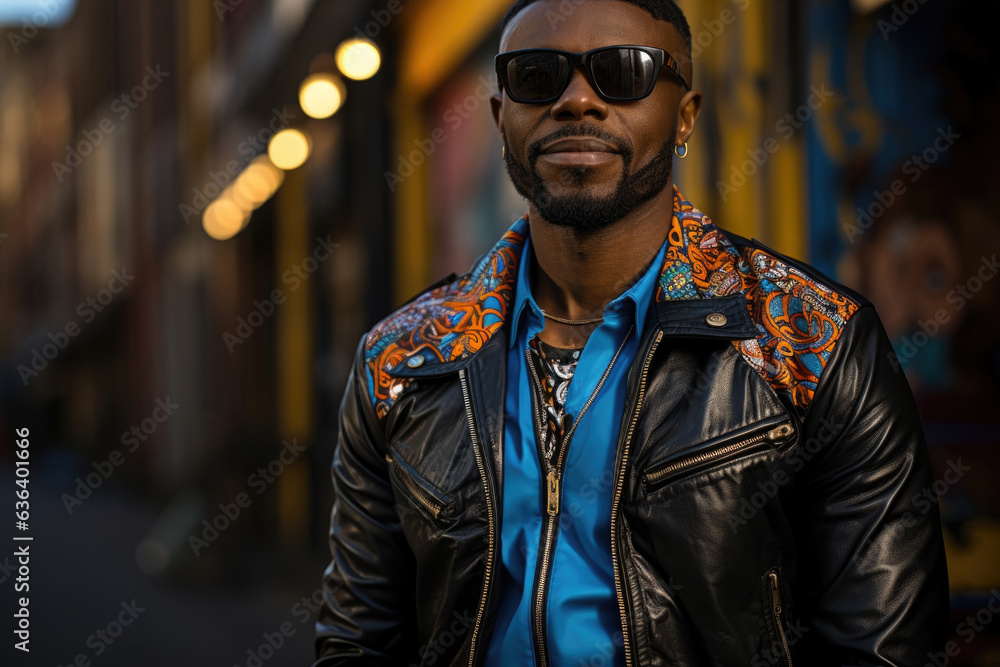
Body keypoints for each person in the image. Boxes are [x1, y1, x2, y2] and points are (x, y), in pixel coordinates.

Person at [314, 0, 949, 664]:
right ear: (503, 119)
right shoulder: (401, 362)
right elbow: (359, 639)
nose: (578, 101)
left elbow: (882, 646)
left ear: (684, 116)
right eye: (537, 76)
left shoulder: (814, 343)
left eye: (623, 72)